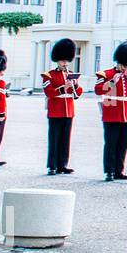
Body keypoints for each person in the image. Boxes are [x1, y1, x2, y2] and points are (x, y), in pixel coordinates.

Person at [95, 40, 127, 182]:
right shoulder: (106, 73)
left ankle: (119, 170)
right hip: (112, 110)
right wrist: (111, 82)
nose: (126, 67)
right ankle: (109, 171)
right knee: (111, 143)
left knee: (123, 143)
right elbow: (98, 90)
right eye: (125, 64)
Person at [43, 38, 82, 176]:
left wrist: (75, 85)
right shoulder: (49, 75)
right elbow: (48, 92)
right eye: (62, 60)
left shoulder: (70, 74)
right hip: (56, 110)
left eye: (66, 60)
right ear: (57, 60)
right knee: (54, 139)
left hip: (68, 110)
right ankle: (52, 166)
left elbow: (77, 93)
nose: (64, 63)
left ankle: (62, 165)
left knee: (65, 139)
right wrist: (63, 88)